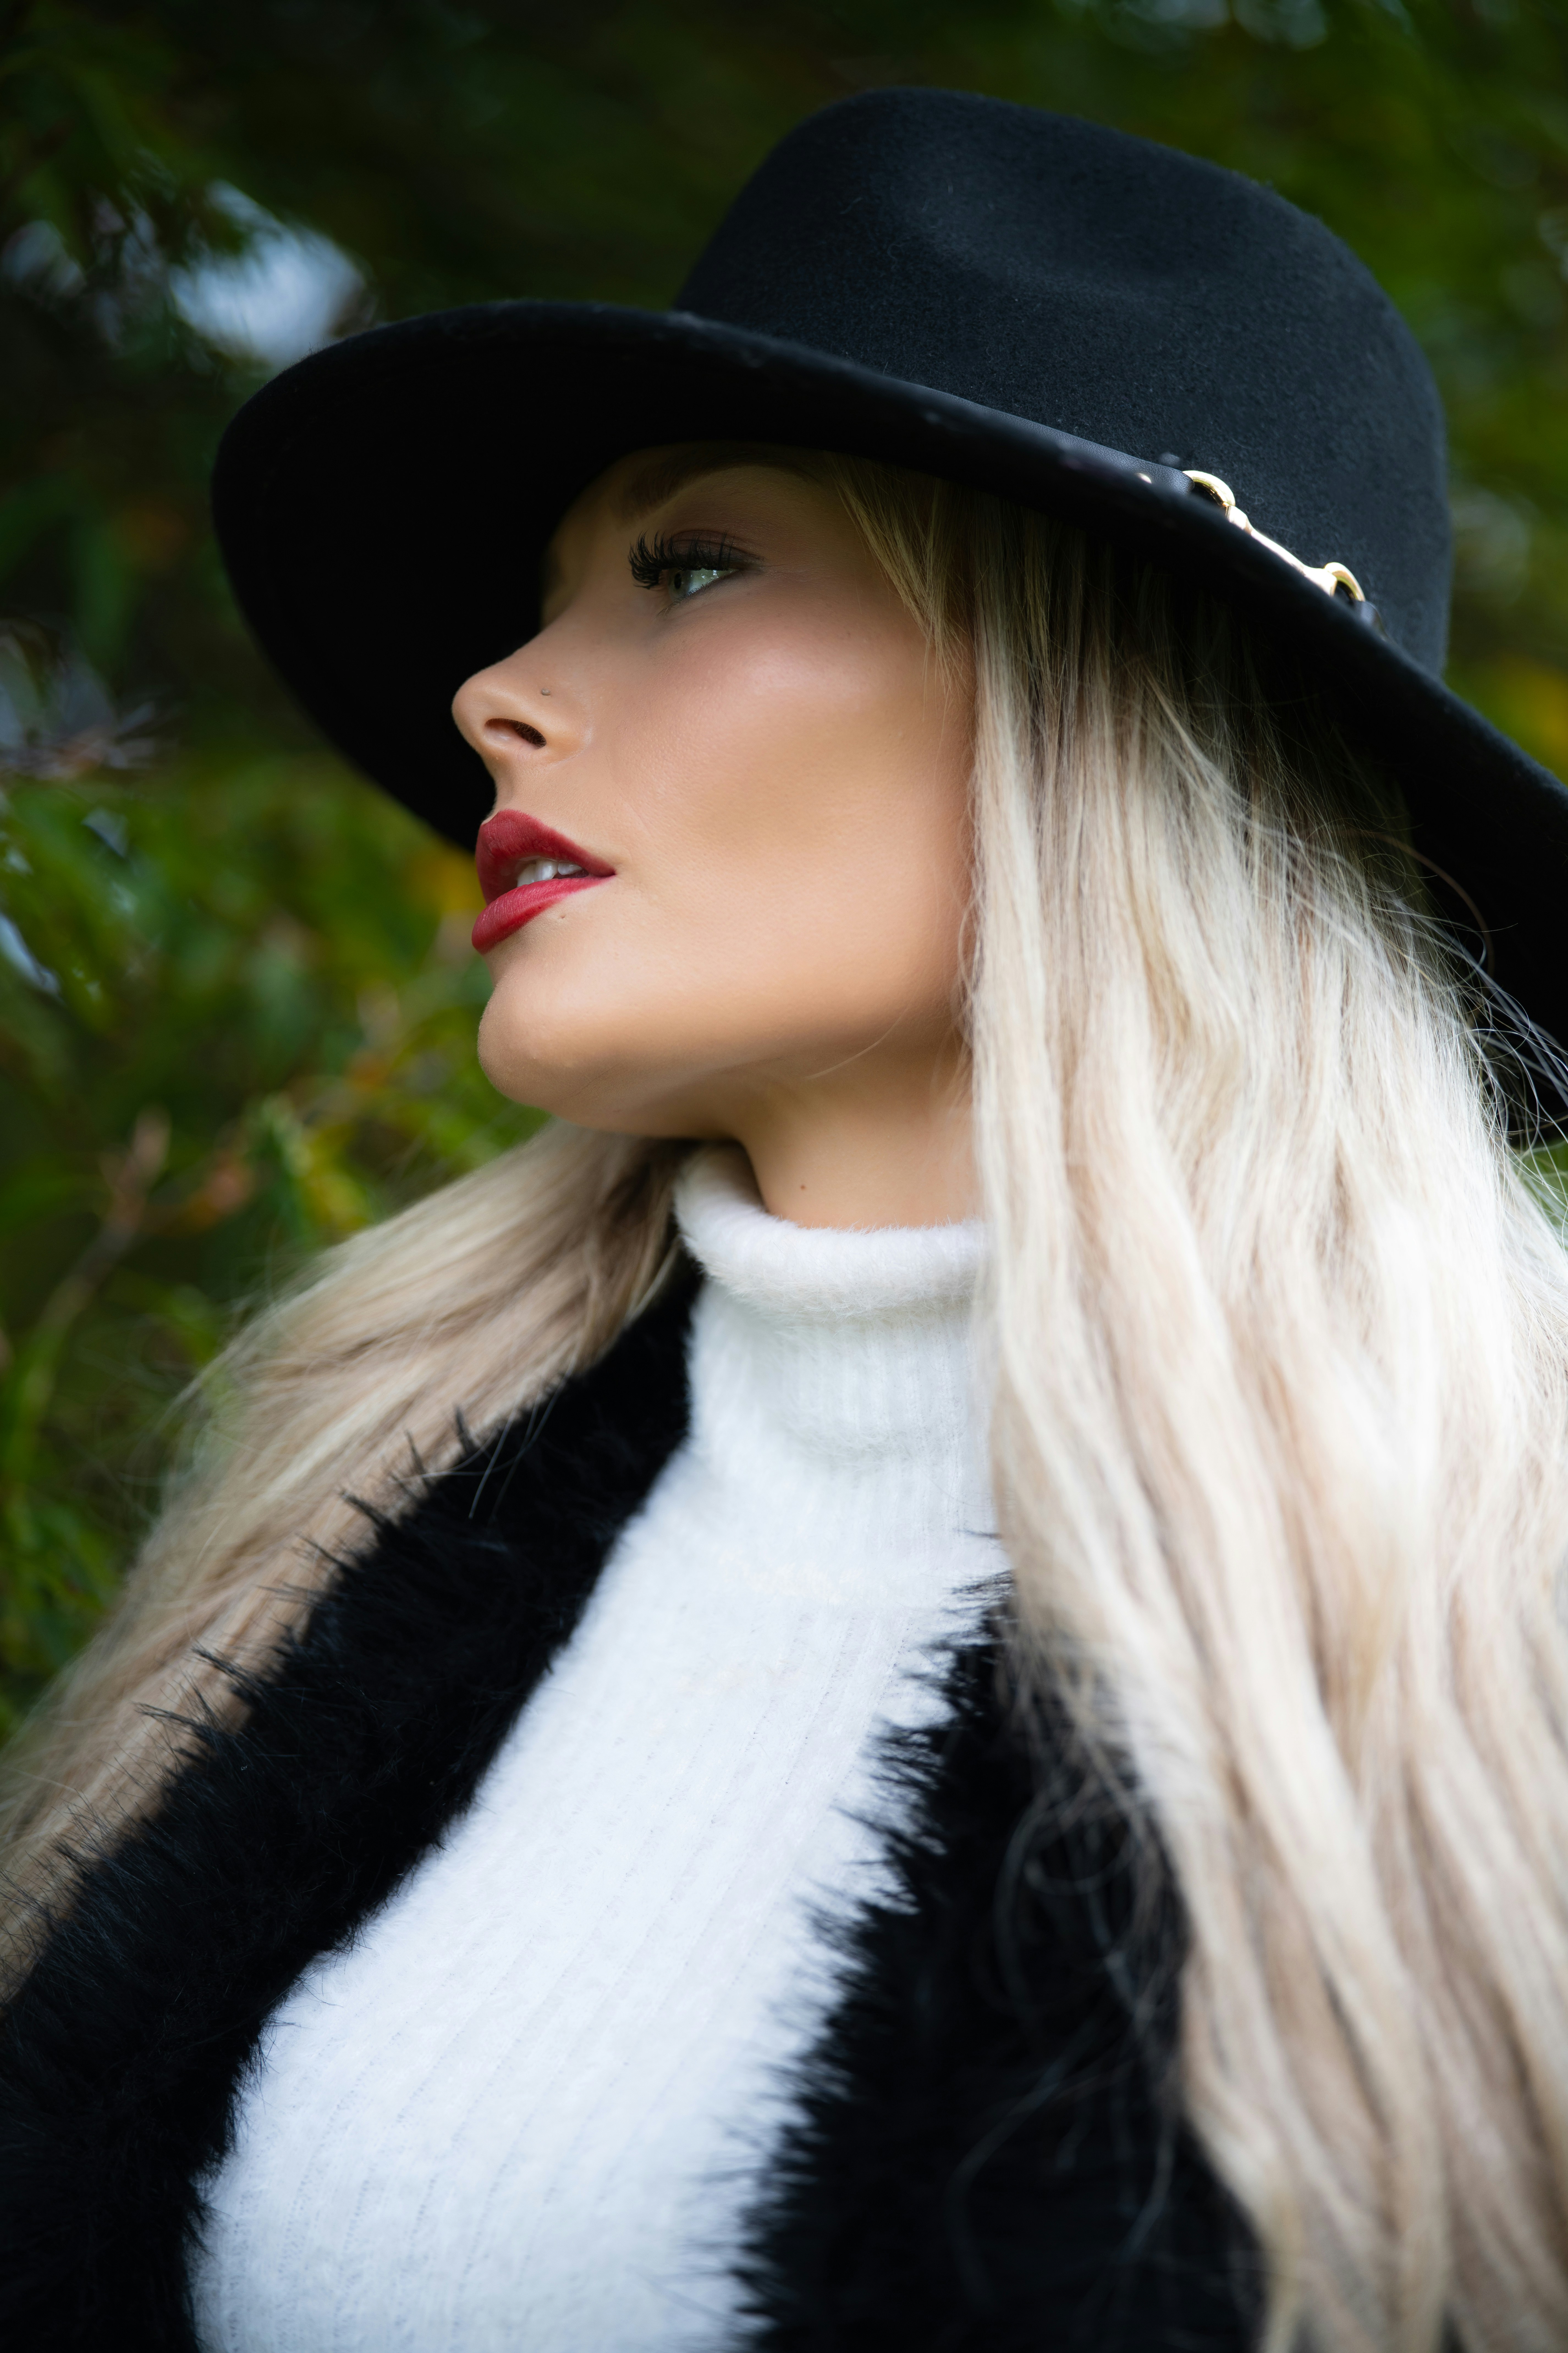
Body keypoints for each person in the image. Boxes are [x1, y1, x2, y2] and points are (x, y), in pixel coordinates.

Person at [4, 84, 1568, 2353]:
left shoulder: (1509, 1633)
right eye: (547, 602)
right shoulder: (319, 1531)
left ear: (1083, 694)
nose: (491, 697)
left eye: (689, 563)